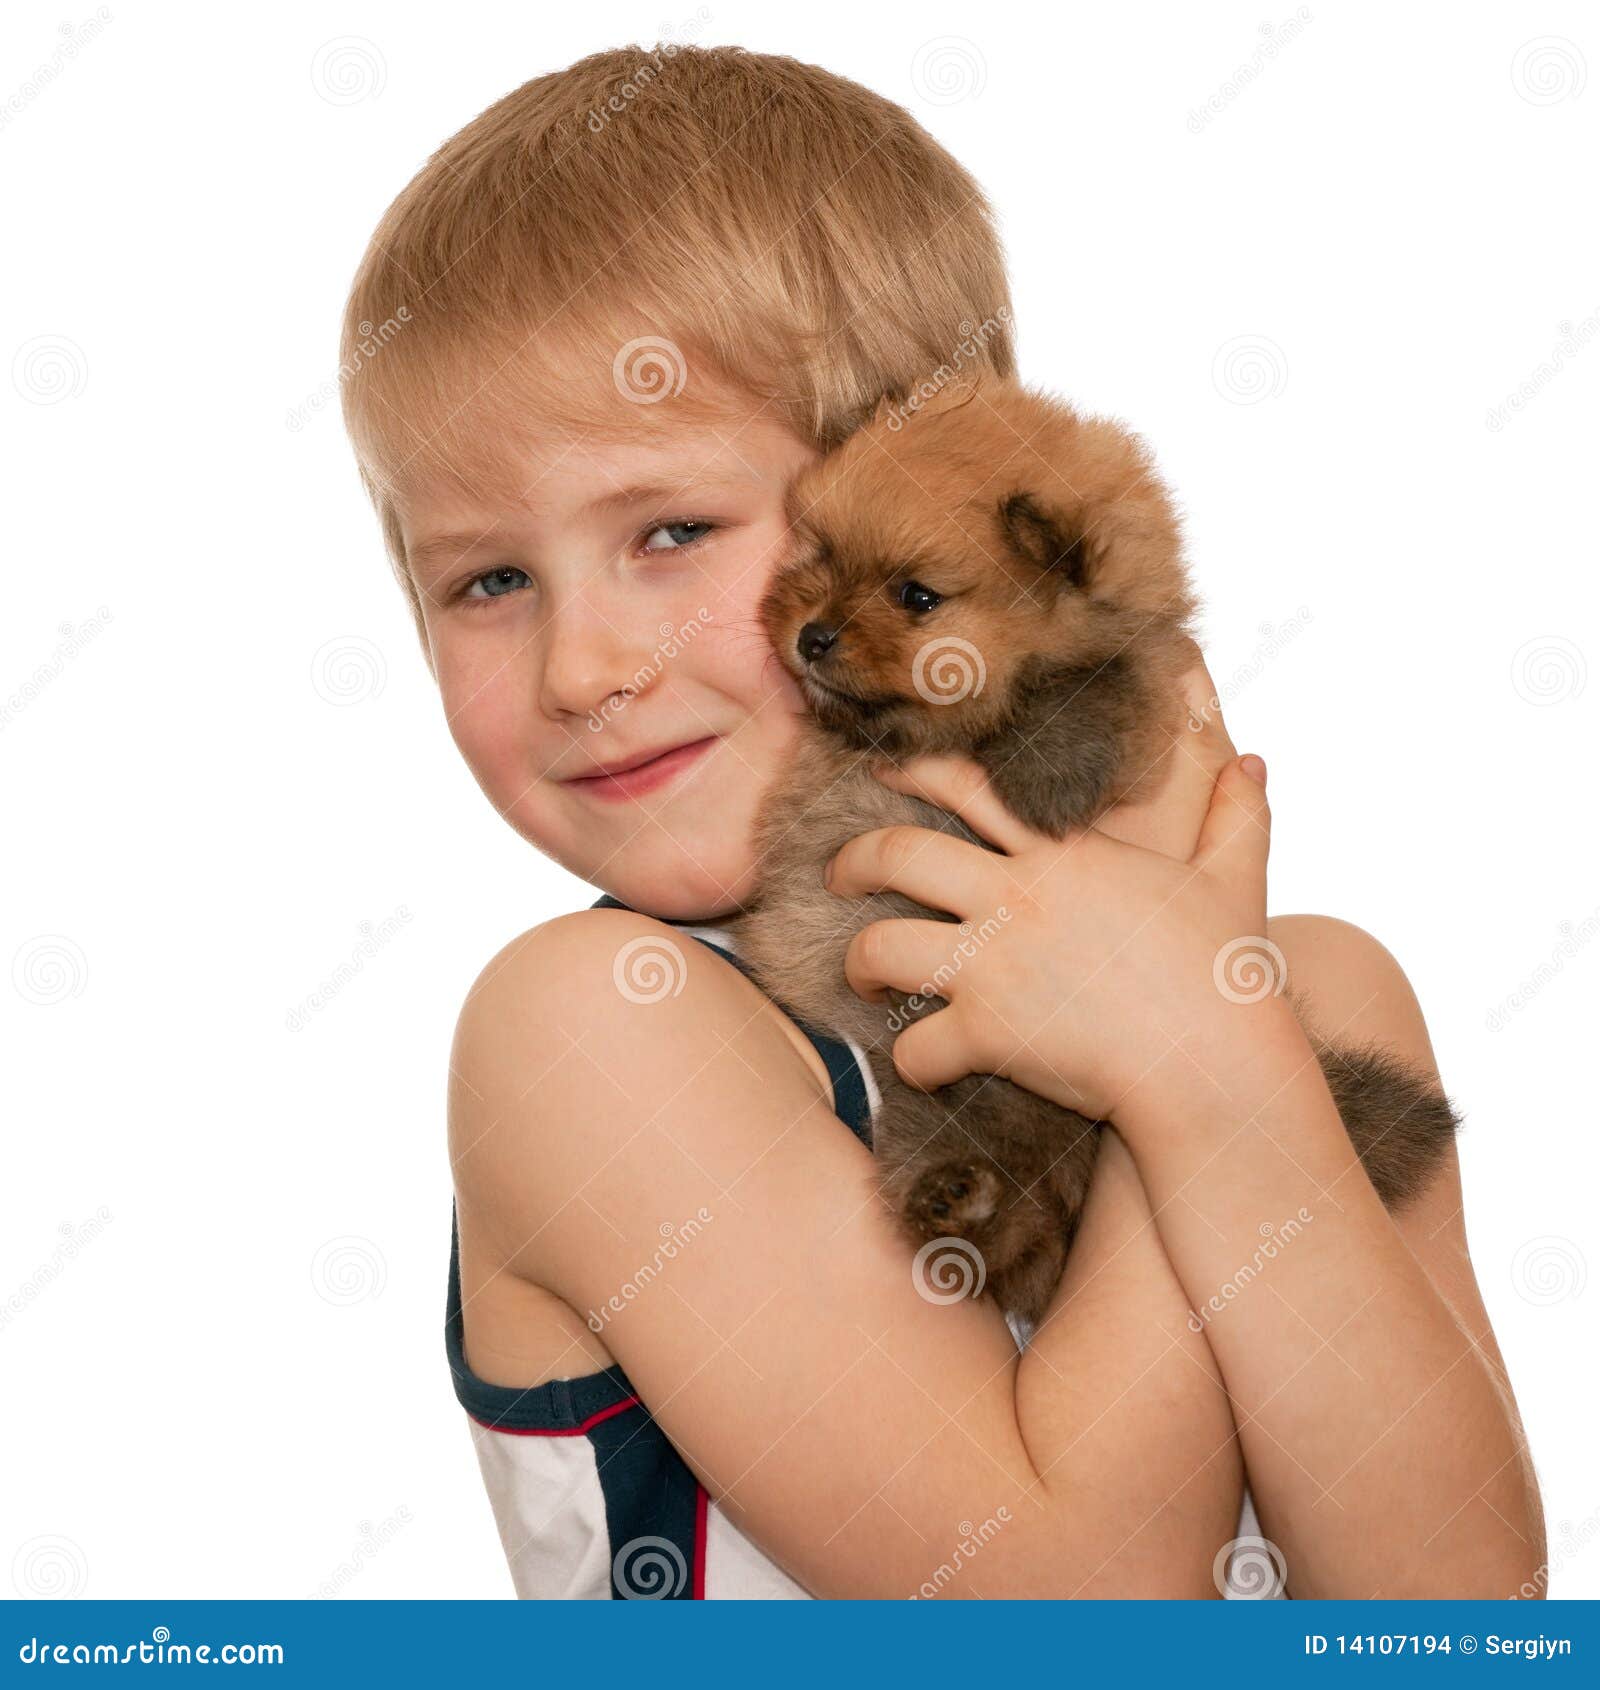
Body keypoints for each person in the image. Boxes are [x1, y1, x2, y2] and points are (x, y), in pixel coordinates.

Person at [338, 43, 1543, 1599]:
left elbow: (1464, 1614)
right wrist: (1183, 1048)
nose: (580, 669)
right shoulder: (592, 1033)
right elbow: (1080, 1609)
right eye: (489, 579)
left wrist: (1214, 1038)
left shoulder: (1312, 991)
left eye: (673, 530)